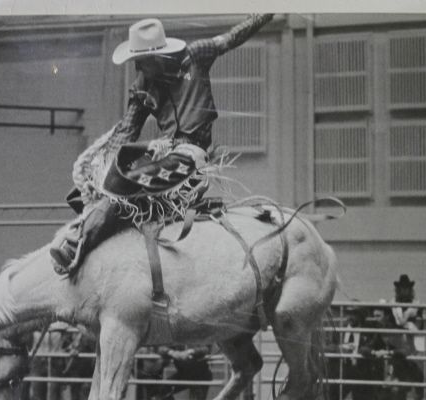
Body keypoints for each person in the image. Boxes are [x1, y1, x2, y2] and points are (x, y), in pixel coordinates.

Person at [50, 14, 274, 274]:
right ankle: (93, 228)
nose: (137, 68)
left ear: (157, 57)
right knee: (102, 181)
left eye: (141, 62)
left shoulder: (195, 56)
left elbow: (233, 37)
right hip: (164, 149)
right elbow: (127, 130)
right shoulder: (143, 86)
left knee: (124, 185)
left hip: (192, 154)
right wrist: (101, 166)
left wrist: (265, 12)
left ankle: (78, 242)